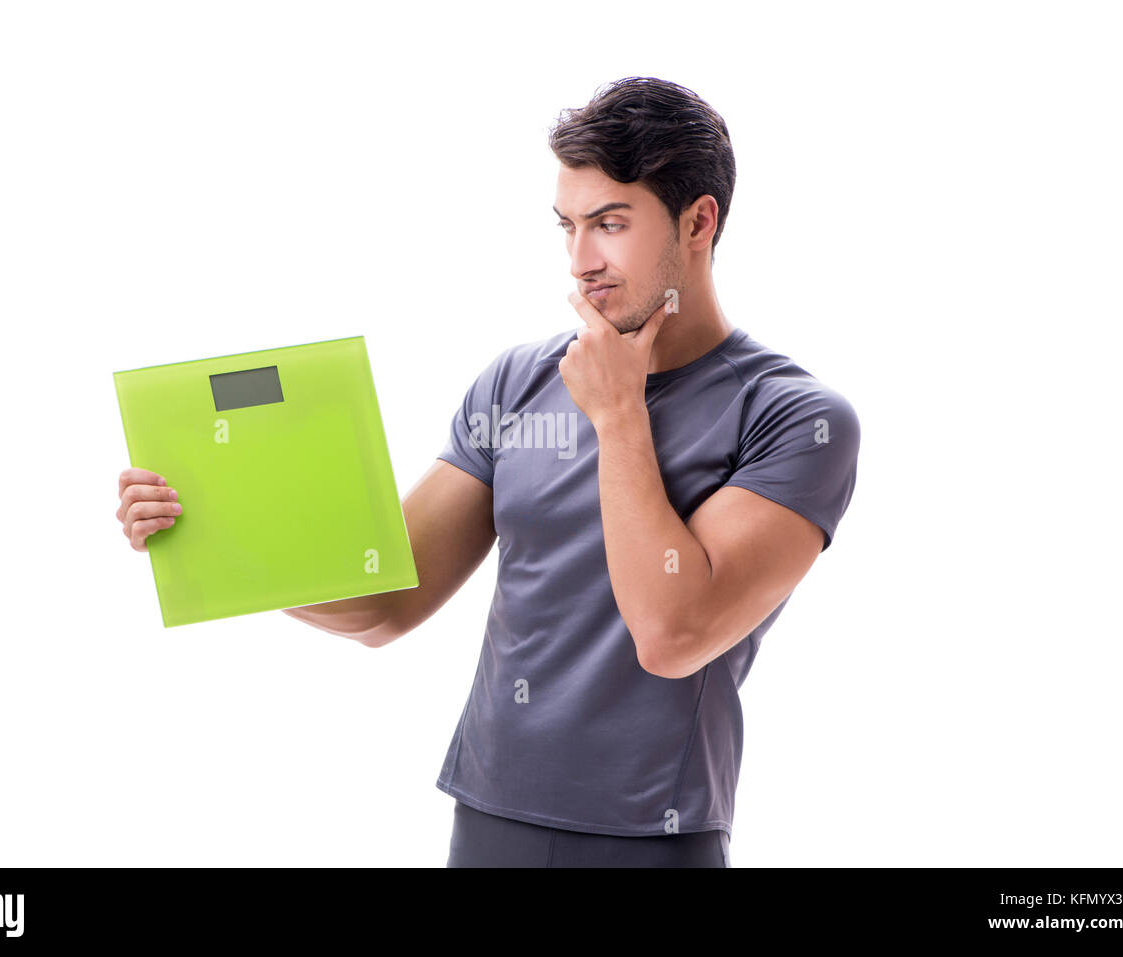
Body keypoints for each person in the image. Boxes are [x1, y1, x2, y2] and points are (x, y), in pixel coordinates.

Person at [116, 76, 860, 867]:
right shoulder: (517, 382)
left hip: (655, 838)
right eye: (568, 226)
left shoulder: (794, 418)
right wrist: (211, 527)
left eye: (610, 223)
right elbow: (387, 600)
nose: (582, 261)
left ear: (699, 220)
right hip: (488, 822)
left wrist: (619, 416)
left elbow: (672, 633)